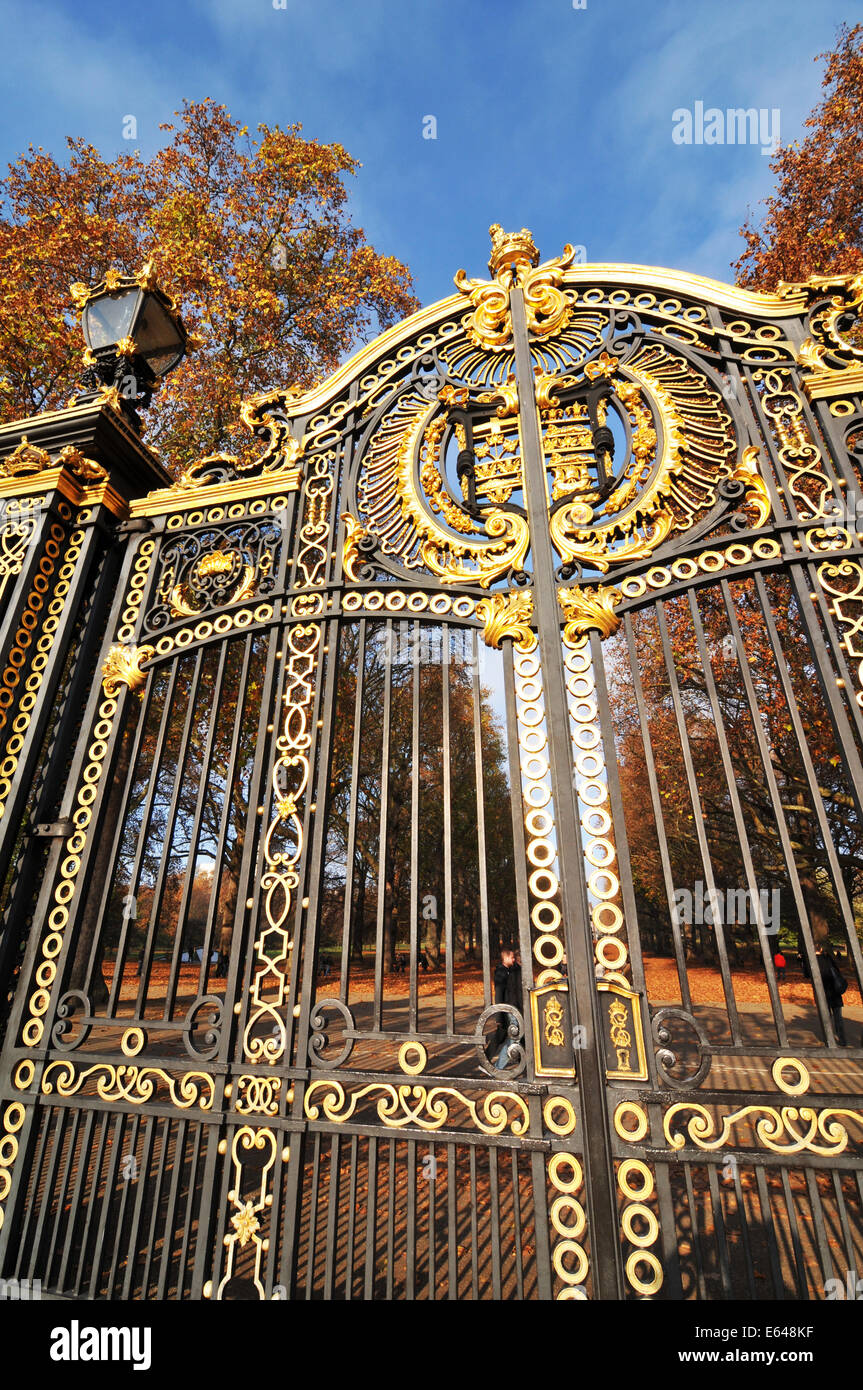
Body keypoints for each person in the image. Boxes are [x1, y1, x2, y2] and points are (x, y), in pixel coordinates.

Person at [485, 946, 522, 1069]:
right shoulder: (502, 972)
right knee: (510, 1037)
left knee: (504, 1037)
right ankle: (494, 1066)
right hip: (507, 1009)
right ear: (505, 957)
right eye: (512, 958)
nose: (513, 960)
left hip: (510, 1009)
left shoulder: (509, 970)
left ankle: (487, 1062)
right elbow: (499, 993)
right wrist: (499, 1015)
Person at [816, 944, 850, 1047]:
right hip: (834, 991)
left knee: (826, 1017)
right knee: (838, 1018)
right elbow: (837, 972)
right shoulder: (828, 959)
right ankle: (842, 1040)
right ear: (821, 949)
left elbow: (808, 974)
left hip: (823, 992)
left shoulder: (814, 962)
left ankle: (829, 1040)